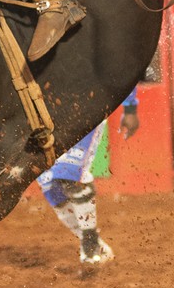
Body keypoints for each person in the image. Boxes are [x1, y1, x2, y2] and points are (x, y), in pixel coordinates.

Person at [37, 90, 138, 265]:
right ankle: (93, 242)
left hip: (88, 107)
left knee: (70, 174)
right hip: (47, 110)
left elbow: (116, 64)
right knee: (50, 186)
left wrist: (130, 107)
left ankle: (90, 248)